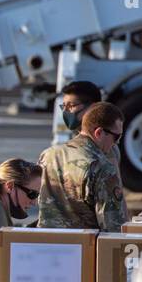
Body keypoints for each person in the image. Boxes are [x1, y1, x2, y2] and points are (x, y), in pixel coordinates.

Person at [37, 101, 129, 232]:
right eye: (116, 137)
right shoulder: (102, 167)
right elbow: (113, 227)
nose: (117, 143)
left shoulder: (48, 155)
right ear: (99, 133)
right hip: (83, 247)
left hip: (45, 243)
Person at [38, 80, 102, 227]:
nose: (66, 111)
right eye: (64, 106)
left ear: (92, 108)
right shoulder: (67, 144)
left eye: (71, 106)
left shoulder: (105, 148)